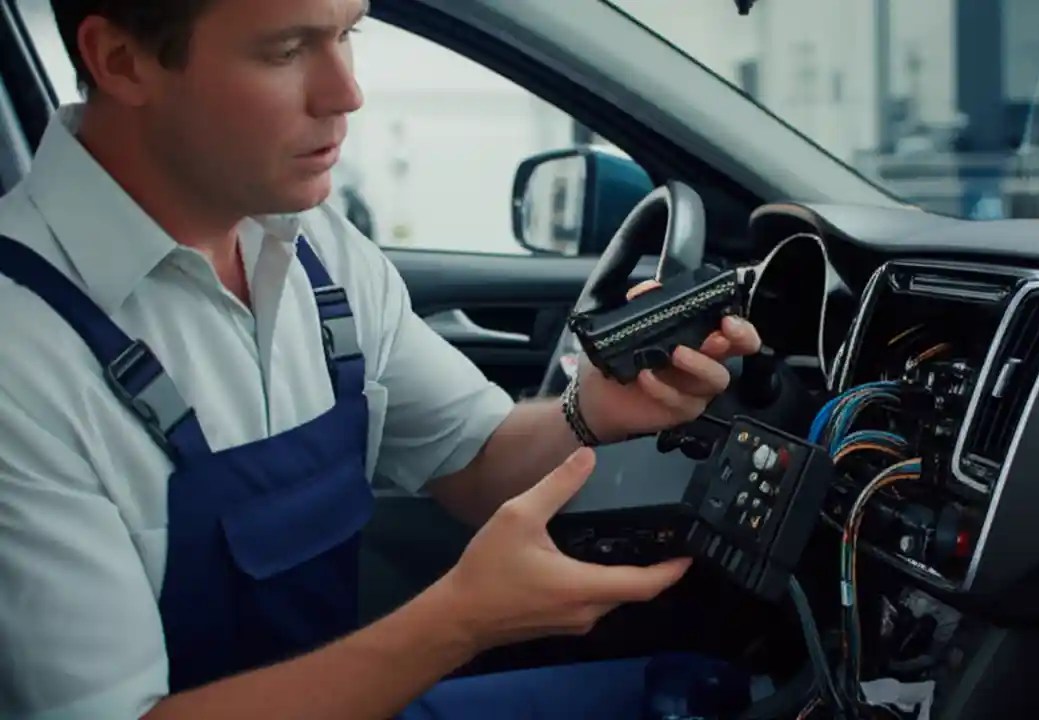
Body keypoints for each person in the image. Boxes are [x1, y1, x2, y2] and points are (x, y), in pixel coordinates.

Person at [0, 1, 762, 718]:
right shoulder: (21, 354)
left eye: (349, 33)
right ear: (122, 60)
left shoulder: (312, 248)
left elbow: (476, 459)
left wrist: (591, 412)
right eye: (288, 49)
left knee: (698, 694)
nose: (347, 92)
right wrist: (458, 621)